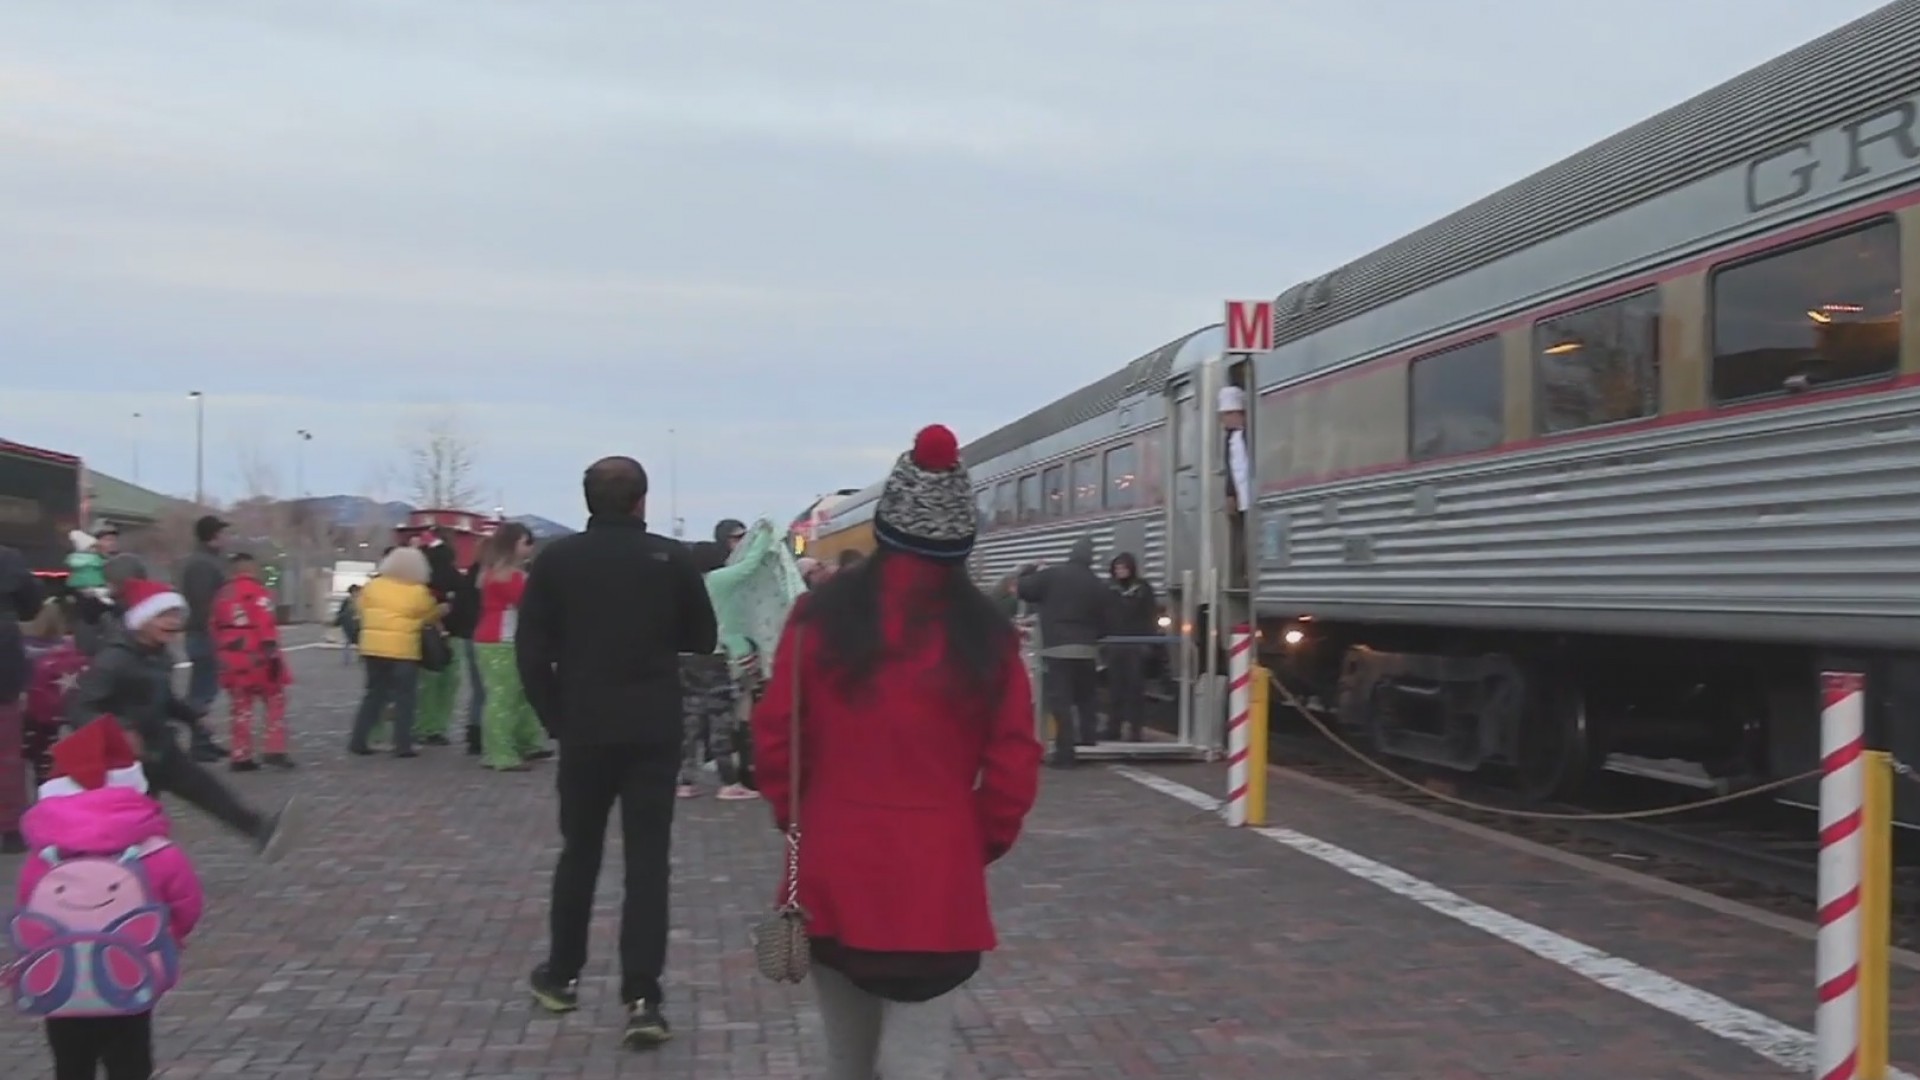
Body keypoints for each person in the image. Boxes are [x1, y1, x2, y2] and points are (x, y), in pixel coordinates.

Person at [752, 424, 1042, 1079]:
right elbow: (1013, 767)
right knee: (917, 1063)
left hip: (831, 866)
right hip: (938, 879)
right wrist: (974, 842)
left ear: (885, 529)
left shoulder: (817, 620)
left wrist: (797, 820)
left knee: (845, 1061)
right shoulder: (988, 639)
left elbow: (776, 738)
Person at [517, 456, 717, 1050]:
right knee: (648, 863)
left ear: (587, 501)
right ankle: (643, 997)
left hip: (584, 727)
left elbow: (530, 654)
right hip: (653, 728)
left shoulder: (554, 561)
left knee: (578, 852)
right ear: (642, 502)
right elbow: (702, 638)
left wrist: (557, 718)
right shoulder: (671, 558)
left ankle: (562, 975)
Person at [12, 717, 205, 1080]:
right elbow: (186, 903)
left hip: (63, 976)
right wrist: (166, 938)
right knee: (130, 1060)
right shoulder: (153, 848)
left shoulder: (44, 854)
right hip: (130, 968)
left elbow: (28, 907)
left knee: (70, 1062)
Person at [67, 579, 301, 860]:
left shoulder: (158, 655)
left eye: (176, 616)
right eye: (164, 616)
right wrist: (122, 729)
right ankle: (102, 867)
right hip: (126, 761)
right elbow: (80, 707)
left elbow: (163, 697)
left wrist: (191, 717)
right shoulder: (113, 659)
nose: (174, 623)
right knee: (131, 820)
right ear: (141, 619)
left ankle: (259, 830)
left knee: (206, 789)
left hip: (161, 747)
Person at [678, 519, 785, 801]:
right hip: (715, 658)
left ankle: (686, 781)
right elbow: (750, 565)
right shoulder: (719, 580)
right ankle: (728, 782)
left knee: (690, 721)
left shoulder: (686, 585)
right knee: (720, 720)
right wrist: (763, 535)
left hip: (686, 659)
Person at [1017, 536, 1109, 767]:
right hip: (1087, 649)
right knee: (1087, 698)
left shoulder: (1053, 575)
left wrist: (1031, 570)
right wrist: (1094, 637)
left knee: (1062, 700)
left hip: (1057, 647)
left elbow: (1024, 588)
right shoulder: (1097, 583)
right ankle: (1089, 741)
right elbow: (1107, 619)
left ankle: (1065, 754)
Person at [347, 546, 440, 759]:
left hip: (372, 648)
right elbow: (429, 614)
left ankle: (358, 739)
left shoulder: (373, 586)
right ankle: (402, 744)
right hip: (403, 651)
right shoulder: (418, 591)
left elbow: (359, 608)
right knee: (405, 698)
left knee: (374, 695)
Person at [470, 523, 545, 772]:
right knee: (503, 696)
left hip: (498, 637)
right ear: (514, 545)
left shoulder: (496, 573)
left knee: (513, 694)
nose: (530, 547)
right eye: (526, 542)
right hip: (501, 639)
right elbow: (531, 605)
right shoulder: (509, 577)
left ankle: (517, 743)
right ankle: (500, 753)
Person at [211, 552, 296, 771]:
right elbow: (265, 624)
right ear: (251, 568)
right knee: (275, 700)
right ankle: (274, 748)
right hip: (256, 655)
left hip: (230, 656)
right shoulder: (258, 593)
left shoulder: (222, 594)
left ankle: (241, 754)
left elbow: (213, 625)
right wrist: (273, 655)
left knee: (241, 706)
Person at [174, 515, 230, 763]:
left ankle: (203, 739)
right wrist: (216, 628)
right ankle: (199, 742)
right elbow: (203, 603)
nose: (225, 538)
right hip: (205, 633)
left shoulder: (207, 562)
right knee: (201, 690)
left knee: (206, 689)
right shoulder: (202, 565)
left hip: (206, 632)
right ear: (213, 536)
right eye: (222, 533)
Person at [0, 542, 45, 854]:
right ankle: (10, 827)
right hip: (3, 659)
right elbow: (31, 605)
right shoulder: (8, 557)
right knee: (6, 751)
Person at [22, 603, 85, 791]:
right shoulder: (71, 646)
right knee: (50, 764)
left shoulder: (23, 646)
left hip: (32, 713)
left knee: (28, 760)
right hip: (62, 715)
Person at [413, 528, 466, 747]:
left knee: (428, 684)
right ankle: (435, 727)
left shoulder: (418, 575)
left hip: (424, 634)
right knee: (446, 684)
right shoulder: (454, 575)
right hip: (452, 634)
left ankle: (425, 725)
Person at [1104, 552, 1157, 742]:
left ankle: (1135, 730)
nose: (1120, 571)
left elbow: (1150, 615)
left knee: (1135, 689)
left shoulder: (1143, 589)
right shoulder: (1109, 588)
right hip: (1115, 643)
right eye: (1117, 568)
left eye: (1124, 568)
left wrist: (1148, 642)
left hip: (1136, 643)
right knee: (1115, 689)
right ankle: (1113, 728)